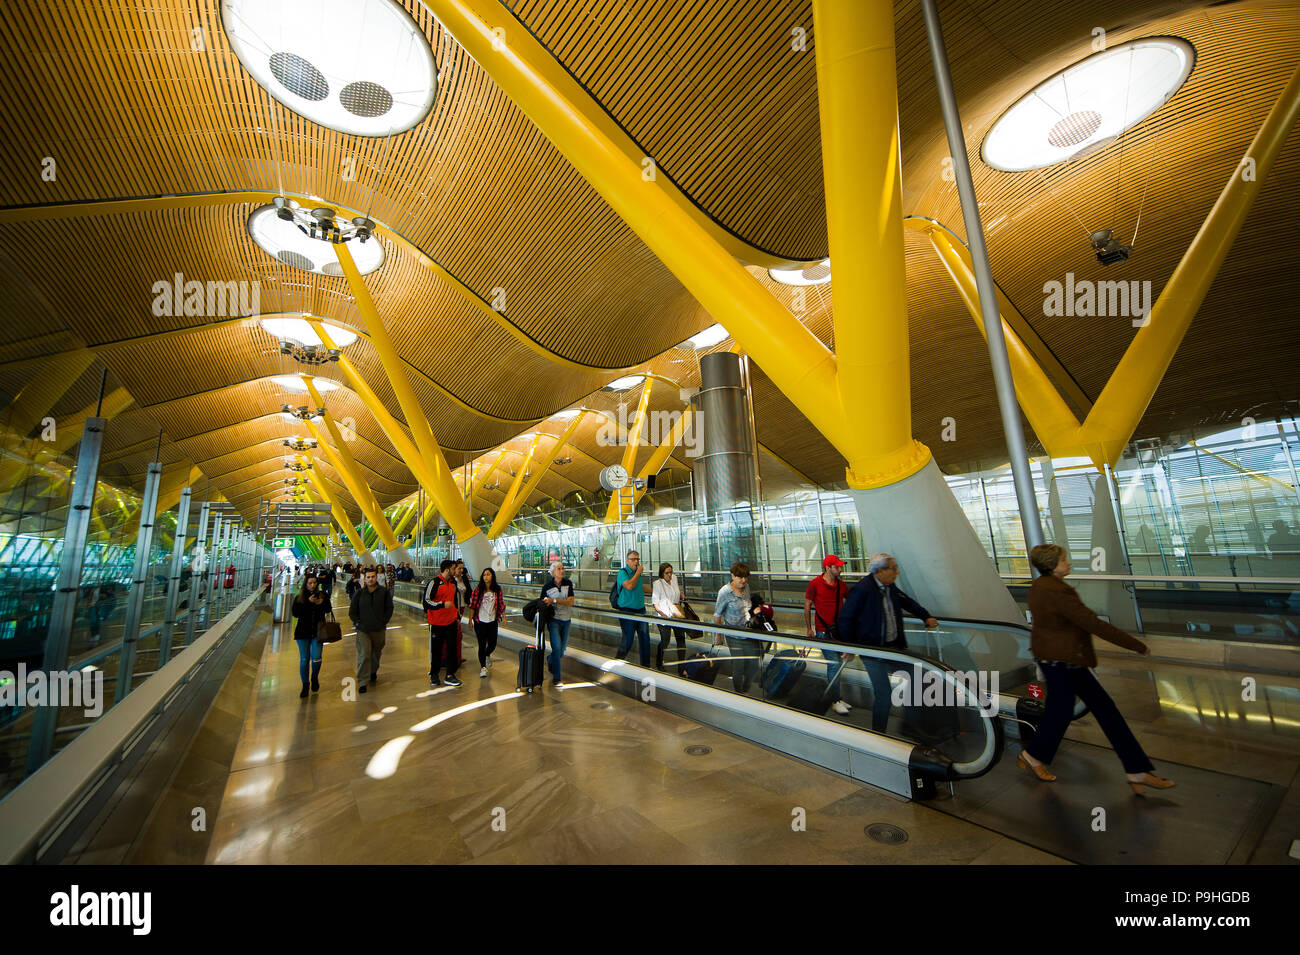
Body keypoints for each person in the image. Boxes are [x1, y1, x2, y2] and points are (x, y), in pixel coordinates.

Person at [1018, 544, 1175, 795]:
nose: (1068, 563)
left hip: (1064, 661)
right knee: (1068, 712)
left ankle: (1136, 771)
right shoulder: (1056, 591)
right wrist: (1135, 645)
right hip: (1061, 663)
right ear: (1052, 565)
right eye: (1064, 559)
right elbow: (1092, 623)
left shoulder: (1041, 587)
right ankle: (1033, 756)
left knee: (1101, 711)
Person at [837, 553, 939, 733]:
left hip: (894, 648)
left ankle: (909, 726)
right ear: (880, 571)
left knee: (917, 677)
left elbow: (907, 602)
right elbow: (846, 619)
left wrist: (926, 616)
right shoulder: (862, 590)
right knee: (884, 694)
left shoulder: (889, 587)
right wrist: (850, 647)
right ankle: (879, 733)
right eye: (893, 568)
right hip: (872, 651)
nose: (897, 572)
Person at [804, 555, 853, 715]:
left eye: (840, 567)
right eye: (837, 567)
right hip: (822, 632)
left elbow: (852, 601)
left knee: (837, 663)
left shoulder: (841, 585)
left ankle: (837, 697)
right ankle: (834, 700)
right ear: (827, 568)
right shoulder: (815, 584)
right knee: (834, 664)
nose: (840, 569)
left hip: (838, 631)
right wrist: (809, 628)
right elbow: (807, 605)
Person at [713, 562, 762, 693]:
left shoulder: (746, 588)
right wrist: (718, 635)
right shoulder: (725, 592)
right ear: (732, 576)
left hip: (748, 631)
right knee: (739, 664)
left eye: (746, 577)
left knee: (754, 663)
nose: (744, 580)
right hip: (733, 634)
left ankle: (746, 688)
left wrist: (754, 610)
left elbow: (748, 606)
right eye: (740, 577)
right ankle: (739, 692)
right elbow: (717, 615)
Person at [349, 568, 392, 694]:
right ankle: (362, 681)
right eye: (368, 577)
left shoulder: (383, 592)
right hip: (363, 630)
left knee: (376, 653)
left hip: (378, 629)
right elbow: (352, 611)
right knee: (364, 654)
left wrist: (383, 621)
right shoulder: (359, 593)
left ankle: (373, 671)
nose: (370, 579)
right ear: (365, 579)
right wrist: (357, 623)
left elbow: (389, 608)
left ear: (376, 577)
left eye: (373, 576)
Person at [290, 573, 331, 699]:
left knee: (317, 657)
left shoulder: (323, 595)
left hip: (318, 632)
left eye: (314, 583)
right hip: (303, 632)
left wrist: (321, 603)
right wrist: (308, 602)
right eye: (310, 583)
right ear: (306, 584)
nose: (312, 585)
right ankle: (305, 684)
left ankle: (314, 677)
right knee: (304, 659)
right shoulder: (300, 597)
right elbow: (295, 613)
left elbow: (328, 609)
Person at [423, 560, 462, 687]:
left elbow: (455, 600)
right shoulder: (434, 583)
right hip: (437, 623)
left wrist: (457, 616)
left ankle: (450, 675)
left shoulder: (453, 583)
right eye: (453, 568)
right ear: (447, 570)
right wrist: (441, 605)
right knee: (437, 650)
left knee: (452, 649)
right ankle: (434, 674)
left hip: (451, 622)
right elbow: (426, 602)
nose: (455, 571)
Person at [613, 550, 651, 665]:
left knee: (645, 639)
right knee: (628, 639)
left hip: (640, 610)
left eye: (637, 559)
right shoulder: (622, 573)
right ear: (627, 561)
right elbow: (629, 586)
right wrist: (638, 573)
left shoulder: (636, 573)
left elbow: (639, 586)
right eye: (633, 559)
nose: (636, 562)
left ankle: (646, 666)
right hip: (627, 611)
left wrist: (655, 591)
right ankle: (616, 663)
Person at [541, 560, 575, 685]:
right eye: (559, 569)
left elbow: (571, 602)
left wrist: (554, 600)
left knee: (561, 650)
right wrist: (550, 601)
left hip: (566, 620)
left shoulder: (568, 583)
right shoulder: (547, 587)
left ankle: (550, 659)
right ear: (553, 572)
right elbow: (543, 603)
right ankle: (557, 678)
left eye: (562, 568)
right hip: (553, 620)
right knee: (556, 648)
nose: (562, 571)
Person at [652, 563, 688, 670]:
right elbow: (655, 603)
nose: (669, 575)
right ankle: (659, 663)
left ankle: (681, 667)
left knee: (681, 640)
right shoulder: (657, 584)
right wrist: (663, 615)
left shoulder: (674, 579)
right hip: (665, 617)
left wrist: (681, 595)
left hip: (677, 615)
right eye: (667, 573)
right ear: (662, 574)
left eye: (671, 572)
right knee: (665, 641)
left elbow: (676, 591)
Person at [471, 567, 505, 677]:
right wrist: (470, 620)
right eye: (484, 575)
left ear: (492, 576)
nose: (486, 577)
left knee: (492, 643)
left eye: (488, 574)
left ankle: (487, 654)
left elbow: (501, 604)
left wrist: (504, 617)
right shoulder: (478, 590)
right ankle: (483, 667)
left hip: (492, 620)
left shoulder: (497, 589)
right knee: (481, 644)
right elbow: (473, 605)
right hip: (480, 621)